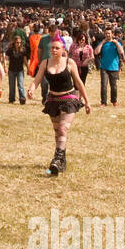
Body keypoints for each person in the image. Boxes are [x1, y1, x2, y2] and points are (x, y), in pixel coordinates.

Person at [27, 38, 91, 174]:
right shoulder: (45, 63)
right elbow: (37, 80)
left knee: (63, 128)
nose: (54, 50)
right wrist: (31, 89)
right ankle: (62, 162)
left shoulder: (70, 63)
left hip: (69, 99)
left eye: (57, 48)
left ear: (63, 50)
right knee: (58, 133)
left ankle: (56, 159)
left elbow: (79, 83)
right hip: (53, 100)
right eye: (52, 48)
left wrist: (87, 101)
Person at [93, 29, 125, 107]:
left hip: (114, 67)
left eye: (109, 33)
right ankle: (103, 102)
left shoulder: (116, 43)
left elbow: (121, 52)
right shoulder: (103, 43)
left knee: (113, 86)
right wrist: (102, 42)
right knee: (104, 86)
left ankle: (114, 101)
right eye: (106, 33)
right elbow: (96, 52)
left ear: (112, 34)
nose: (107, 35)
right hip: (104, 67)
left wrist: (116, 43)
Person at [5, 33, 29, 104]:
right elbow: (6, 58)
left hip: (20, 70)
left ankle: (22, 98)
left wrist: (28, 68)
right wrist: (5, 66)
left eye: (20, 42)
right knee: (11, 85)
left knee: (20, 85)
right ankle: (11, 99)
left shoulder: (23, 50)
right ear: (14, 42)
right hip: (11, 70)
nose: (18, 44)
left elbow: (25, 60)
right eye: (17, 42)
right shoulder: (10, 50)